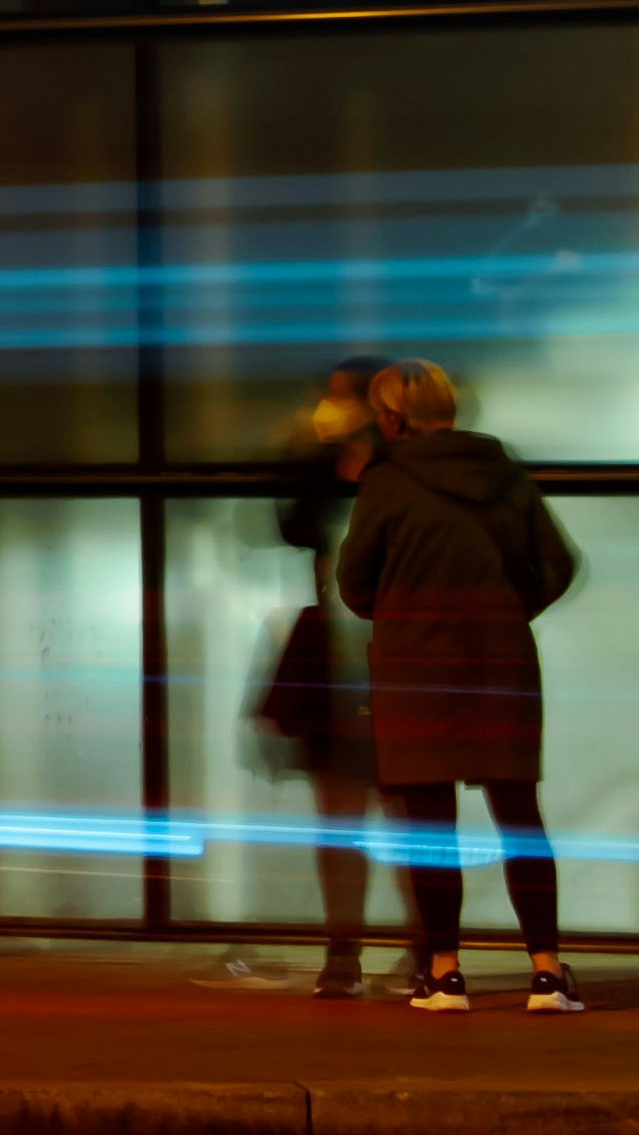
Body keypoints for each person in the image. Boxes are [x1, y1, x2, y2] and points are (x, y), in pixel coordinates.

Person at [333, 357, 585, 1013]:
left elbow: (354, 583)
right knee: (518, 818)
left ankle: (443, 974)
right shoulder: (504, 475)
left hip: (414, 669)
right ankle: (546, 973)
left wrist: (406, 613)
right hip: (500, 663)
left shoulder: (385, 482)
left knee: (429, 826)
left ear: (390, 417)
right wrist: (503, 611)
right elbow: (556, 565)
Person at [231, 356, 384, 999]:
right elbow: (291, 525)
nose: (331, 409)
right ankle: (343, 944)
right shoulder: (323, 472)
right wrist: (311, 453)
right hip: (335, 656)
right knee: (340, 810)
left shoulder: (401, 472)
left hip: (388, 652)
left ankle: (427, 946)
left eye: (345, 399)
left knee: (410, 811)